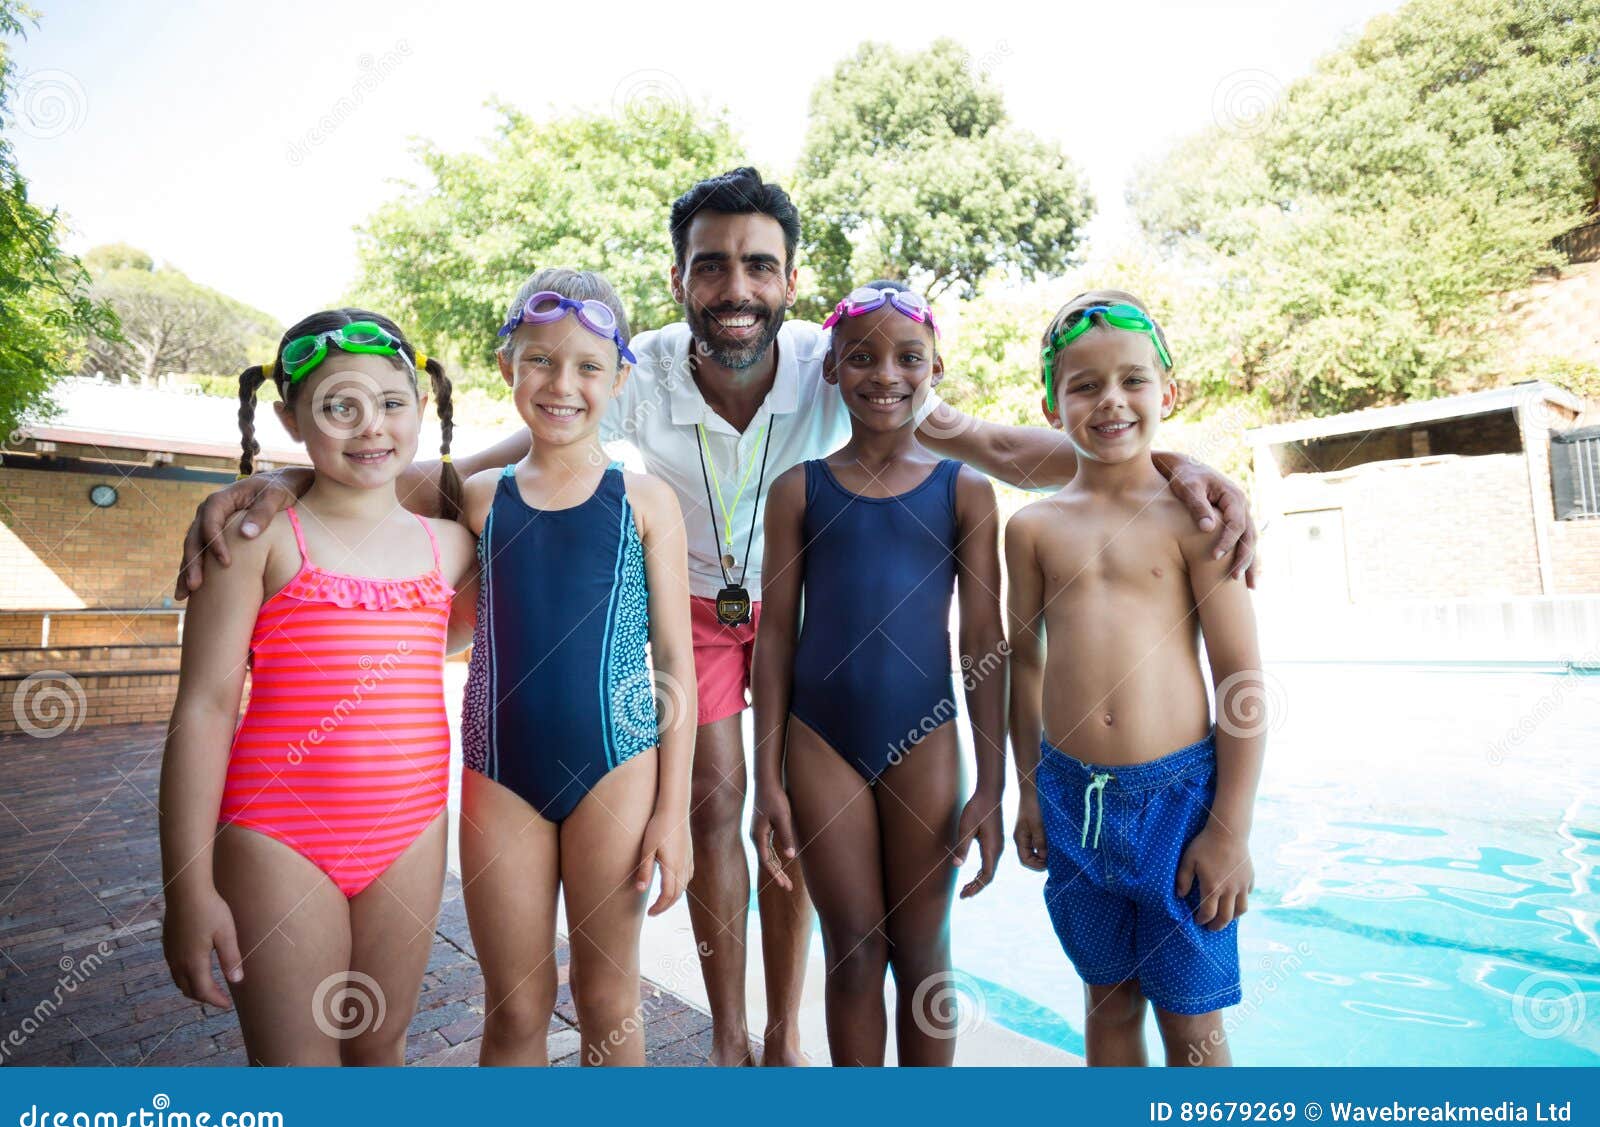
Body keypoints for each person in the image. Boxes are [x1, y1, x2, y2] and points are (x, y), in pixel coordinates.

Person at [172, 169, 1259, 1066]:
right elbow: (455, 469)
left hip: (802, 613)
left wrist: (1167, 463)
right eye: (710, 264)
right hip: (689, 602)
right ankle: (737, 1035)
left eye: (756, 263)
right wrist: (275, 481)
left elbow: (1010, 444)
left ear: (786, 278)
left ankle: (785, 1036)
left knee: (784, 825)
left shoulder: (845, 360)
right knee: (721, 791)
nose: (734, 285)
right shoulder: (626, 368)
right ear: (679, 277)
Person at [158, 310, 477, 1064]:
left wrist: (286, 473)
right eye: (340, 405)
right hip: (277, 836)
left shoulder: (454, 544)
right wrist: (186, 886)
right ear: (290, 417)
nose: (371, 426)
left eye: (392, 402)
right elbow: (203, 708)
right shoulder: (256, 537)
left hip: (412, 830)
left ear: (421, 409)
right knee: (298, 1066)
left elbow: (544, 445)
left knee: (380, 1046)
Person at [1005, 290, 1264, 1067]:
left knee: (1191, 1024)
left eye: (1132, 380)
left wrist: (1230, 827)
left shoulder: (1196, 521)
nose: (1109, 401)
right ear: (1051, 406)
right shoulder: (1033, 528)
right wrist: (1028, 786)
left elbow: (1241, 680)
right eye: (1083, 385)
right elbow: (1023, 659)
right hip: (1072, 795)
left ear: (1168, 391)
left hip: (1181, 803)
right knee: (1108, 1007)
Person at [751, 281, 1005, 1065]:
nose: (884, 374)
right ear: (832, 369)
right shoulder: (800, 489)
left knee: (925, 955)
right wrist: (768, 777)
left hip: (925, 735)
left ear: (936, 367)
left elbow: (983, 643)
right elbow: (775, 641)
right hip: (820, 740)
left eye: (907, 358)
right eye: (860, 357)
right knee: (854, 951)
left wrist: (992, 784)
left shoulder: (966, 490)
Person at [456, 269, 694, 1066]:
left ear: (620, 377)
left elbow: (673, 663)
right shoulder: (479, 498)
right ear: (506, 366)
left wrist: (675, 810)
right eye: (539, 361)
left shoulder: (644, 498)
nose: (562, 384)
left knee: (607, 1001)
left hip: (620, 767)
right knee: (515, 1009)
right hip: (499, 772)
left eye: (588, 366)